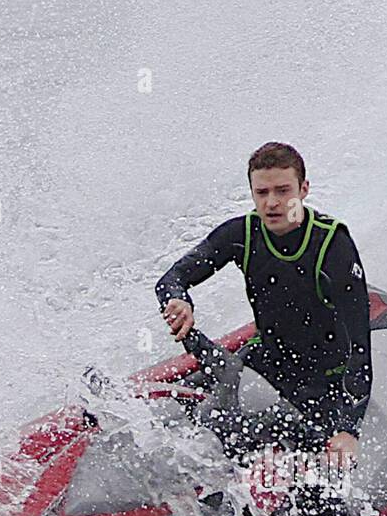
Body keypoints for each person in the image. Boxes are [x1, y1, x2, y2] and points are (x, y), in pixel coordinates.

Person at [154, 142, 372, 471]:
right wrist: (177, 300)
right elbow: (170, 279)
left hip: (323, 384)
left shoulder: (332, 245)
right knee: (192, 417)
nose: (272, 203)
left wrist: (348, 429)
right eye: (262, 192)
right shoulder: (242, 233)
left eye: (283, 191)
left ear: (304, 189)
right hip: (266, 364)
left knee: (318, 493)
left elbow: (360, 346)